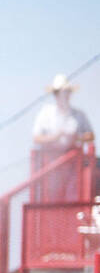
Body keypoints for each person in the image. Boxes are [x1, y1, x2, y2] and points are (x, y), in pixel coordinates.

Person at [32, 74, 94, 203]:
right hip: (51, 163)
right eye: (62, 92)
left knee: (73, 195)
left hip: (74, 163)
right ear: (55, 94)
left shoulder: (78, 114)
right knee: (52, 196)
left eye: (67, 92)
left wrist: (76, 138)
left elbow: (90, 136)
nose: (65, 96)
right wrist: (56, 137)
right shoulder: (46, 113)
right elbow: (37, 138)